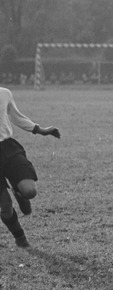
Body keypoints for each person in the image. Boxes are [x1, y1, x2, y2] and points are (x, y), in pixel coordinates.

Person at [0, 87, 60, 248]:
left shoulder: (4, 93)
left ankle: (18, 191)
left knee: (30, 191)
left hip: (7, 148)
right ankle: (19, 237)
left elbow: (16, 117)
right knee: (5, 205)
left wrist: (40, 130)